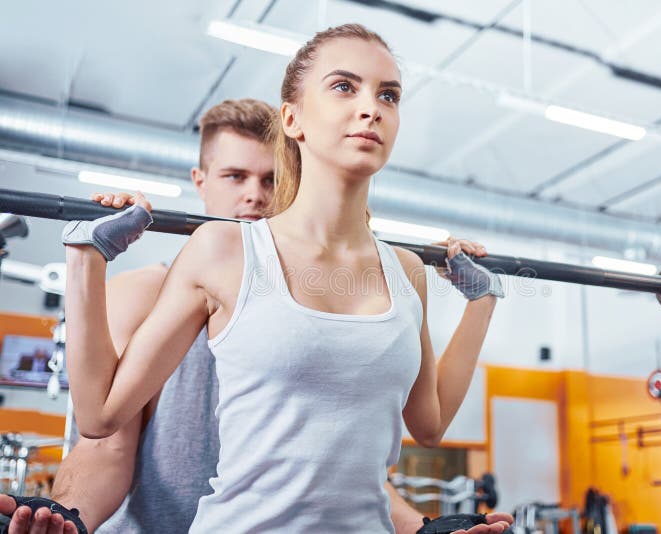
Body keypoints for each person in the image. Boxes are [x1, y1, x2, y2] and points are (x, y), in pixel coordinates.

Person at [53, 24, 506, 533]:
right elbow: (100, 419)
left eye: (389, 95)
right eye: (343, 86)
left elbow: (428, 425)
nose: (371, 107)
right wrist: (87, 255)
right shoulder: (222, 252)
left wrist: (482, 300)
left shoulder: (405, 271)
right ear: (292, 118)